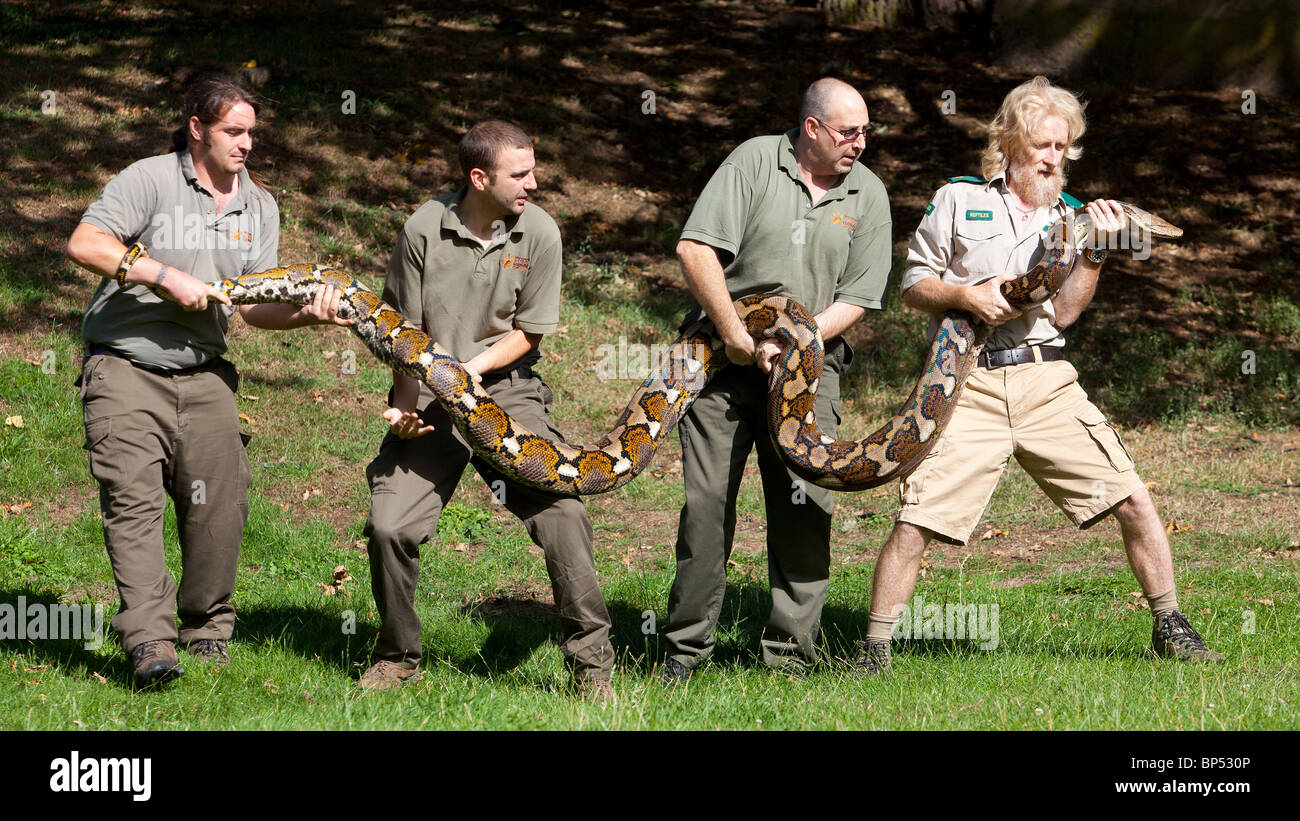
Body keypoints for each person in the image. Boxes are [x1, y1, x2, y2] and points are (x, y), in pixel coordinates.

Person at [853, 75, 1223, 675]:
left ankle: (1170, 622)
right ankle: (873, 649)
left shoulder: (1076, 219)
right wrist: (967, 296)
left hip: (1045, 379)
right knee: (917, 519)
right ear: (1009, 142)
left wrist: (1097, 250)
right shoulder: (956, 198)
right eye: (1043, 145)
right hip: (966, 383)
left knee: (1132, 498)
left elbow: (1067, 311)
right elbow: (914, 287)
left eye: (1063, 147)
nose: (1054, 158)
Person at [65, 74, 350, 688]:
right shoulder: (151, 178)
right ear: (198, 128)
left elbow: (253, 306)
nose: (247, 144)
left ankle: (207, 629)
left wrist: (310, 315)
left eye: (252, 133)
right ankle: (148, 642)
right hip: (125, 367)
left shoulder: (259, 205)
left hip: (205, 376)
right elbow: (85, 242)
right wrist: (164, 275)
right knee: (132, 505)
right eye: (234, 132)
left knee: (217, 508)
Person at [360, 120, 617, 702]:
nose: (534, 181)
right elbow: (403, 335)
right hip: (428, 393)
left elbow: (529, 332)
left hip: (506, 388)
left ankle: (592, 664)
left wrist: (468, 376)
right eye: (520, 173)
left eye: (534, 169)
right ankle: (398, 655)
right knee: (389, 526)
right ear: (479, 178)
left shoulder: (540, 232)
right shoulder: (423, 227)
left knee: (564, 517)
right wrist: (403, 413)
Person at [660, 78, 893, 681]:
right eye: (848, 132)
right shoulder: (755, 161)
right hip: (719, 363)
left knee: (803, 507)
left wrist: (794, 341)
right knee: (706, 507)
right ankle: (684, 653)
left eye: (866, 131)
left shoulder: (868, 193)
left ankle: (790, 656)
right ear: (811, 129)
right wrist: (739, 336)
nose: (860, 143)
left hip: (810, 370)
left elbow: (860, 298)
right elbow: (695, 250)